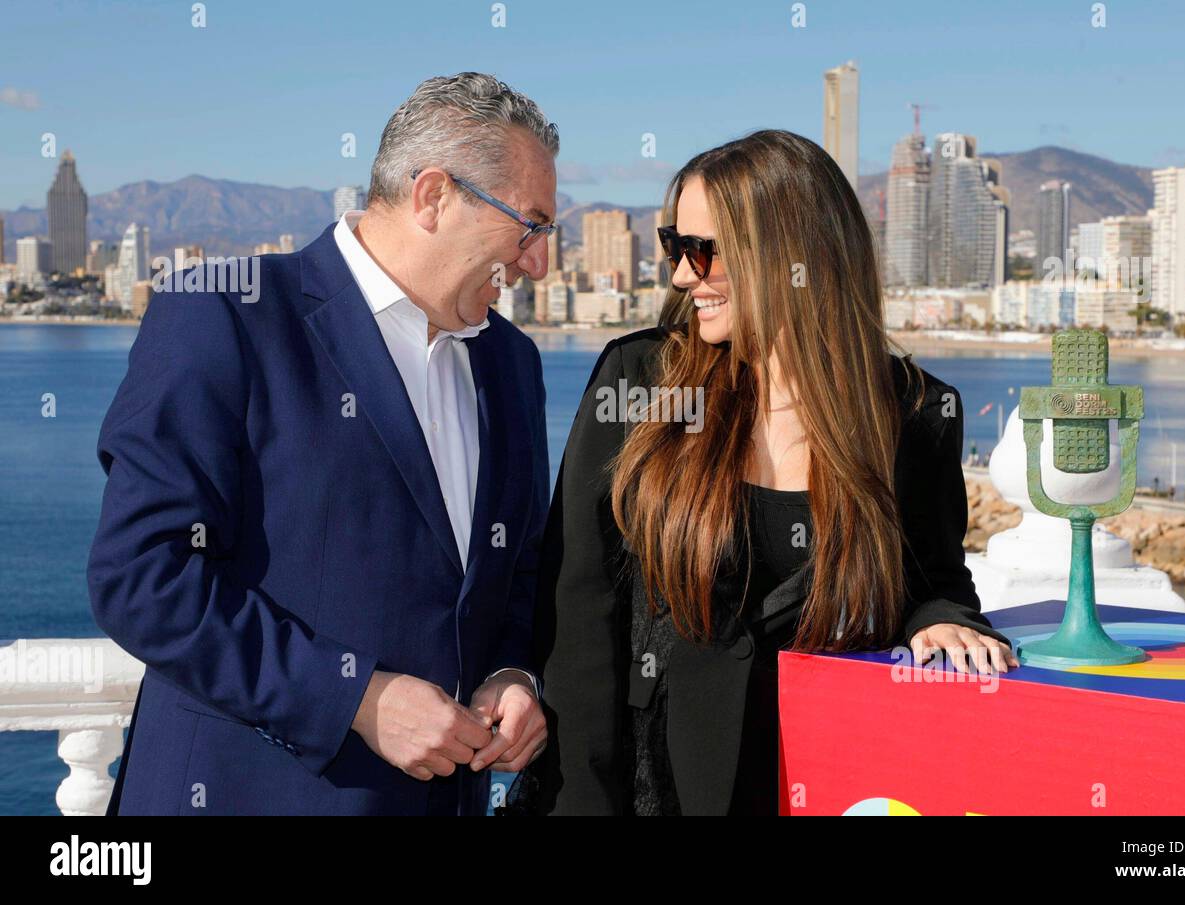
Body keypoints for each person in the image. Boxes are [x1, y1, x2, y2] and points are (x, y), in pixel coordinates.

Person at [508, 129, 1018, 817]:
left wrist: (945, 619)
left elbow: (931, 577)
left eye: (703, 250)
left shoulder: (916, 413)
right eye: (673, 245)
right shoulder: (639, 381)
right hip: (650, 789)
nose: (682, 274)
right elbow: (576, 620)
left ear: (793, 255)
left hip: (829, 784)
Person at [87, 73, 554, 815]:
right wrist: (356, 698)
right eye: (529, 226)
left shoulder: (512, 361)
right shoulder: (221, 315)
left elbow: (519, 569)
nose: (540, 264)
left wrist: (512, 674)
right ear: (433, 196)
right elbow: (141, 576)